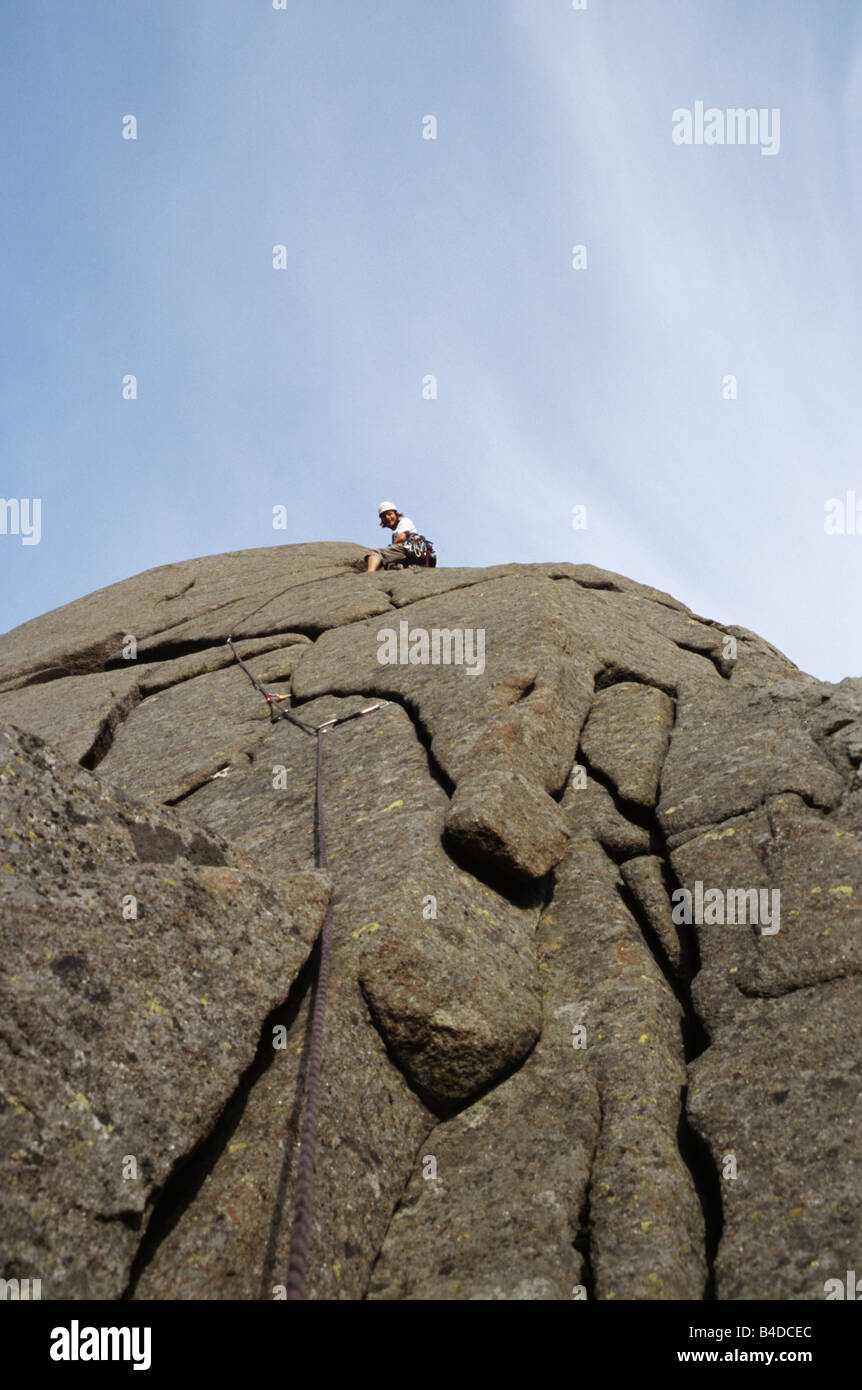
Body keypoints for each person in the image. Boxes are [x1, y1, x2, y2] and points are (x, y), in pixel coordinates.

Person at [365, 502, 420, 571]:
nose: (387, 517)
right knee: (385, 566)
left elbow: (402, 537)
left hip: (409, 549)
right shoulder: (394, 534)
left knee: (376, 553)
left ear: (396, 514)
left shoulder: (405, 521)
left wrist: (389, 548)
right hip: (408, 554)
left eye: (389, 514)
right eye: (384, 516)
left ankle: (370, 573)